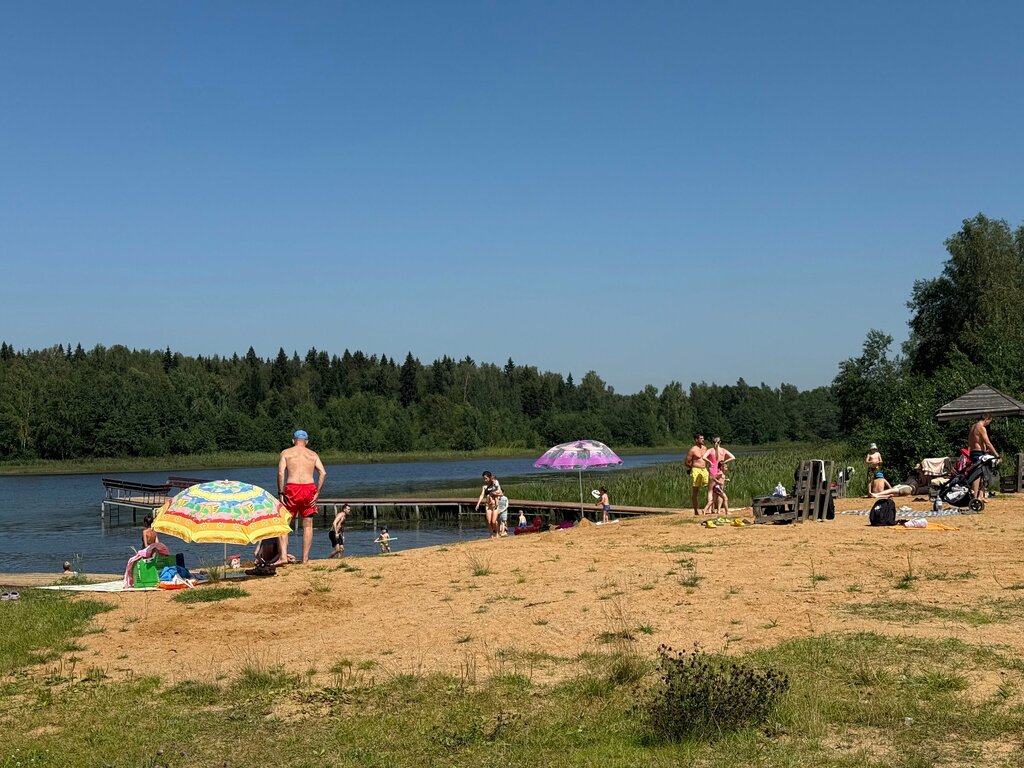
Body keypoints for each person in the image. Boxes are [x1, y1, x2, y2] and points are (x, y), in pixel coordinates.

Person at [277, 429, 327, 564]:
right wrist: (317, 492)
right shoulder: (313, 454)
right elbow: (323, 473)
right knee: (308, 525)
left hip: (292, 488)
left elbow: (281, 473)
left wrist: (281, 492)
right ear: (307, 441)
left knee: (284, 523)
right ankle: (305, 558)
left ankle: (283, 557)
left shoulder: (286, 453)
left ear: (293, 440)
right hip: (309, 488)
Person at [968, 414, 999, 498]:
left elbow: (971, 441)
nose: (988, 424)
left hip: (973, 452)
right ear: (986, 419)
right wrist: (996, 455)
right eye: (989, 421)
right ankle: (974, 497)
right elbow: (988, 443)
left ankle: (980, 496)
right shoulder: (981, 428)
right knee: (977, 475)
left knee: (983, 475)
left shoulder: (973, 427)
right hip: (978, 453)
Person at [684, 434, 709, 515]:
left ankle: (709, 508)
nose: (703, 440)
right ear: (696, 440)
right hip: (696, 470)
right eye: (701, 438)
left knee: (710, 487)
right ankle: (695, 510)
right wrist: (692, 468)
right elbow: (687, 462)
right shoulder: (693, 450)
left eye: (703, 438)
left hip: (704, 469)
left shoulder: (705, 448)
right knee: (695, 490)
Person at [475, 471, 505, 539]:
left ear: (489, 477)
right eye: (484, 479)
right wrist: (478, 504)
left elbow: (501, 493)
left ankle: (497, 533)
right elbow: (482, 495)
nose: (485, 480)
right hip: (488, 505)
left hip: (495, 506)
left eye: (486, 478)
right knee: (489, 521)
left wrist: (493, 494)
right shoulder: (484, 487)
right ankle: (491, 535)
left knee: (493, 521)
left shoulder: (495, 484)